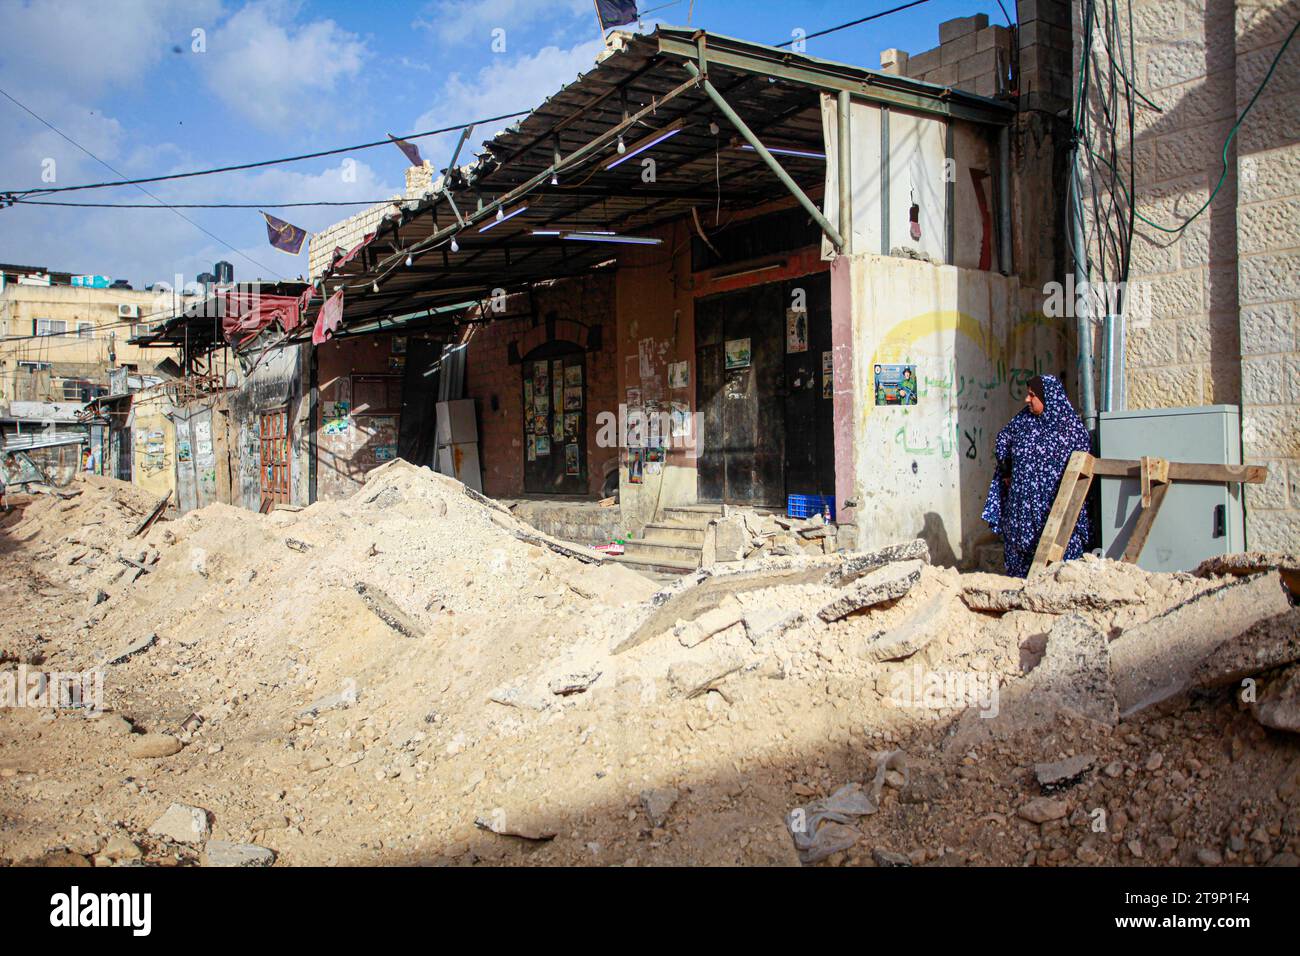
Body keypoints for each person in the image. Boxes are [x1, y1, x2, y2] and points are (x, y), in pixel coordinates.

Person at [981, 374, 1091, 577]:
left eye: (1032, 395)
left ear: (1047, 397)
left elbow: (1082, 468)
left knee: (1058, 571)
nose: (1027, 399)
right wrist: (1006, 469)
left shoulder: (1071, 429)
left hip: (1054, 515)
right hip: (1021, 514)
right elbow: (1002, 440)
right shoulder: (1022, 421)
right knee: (1019, 572)